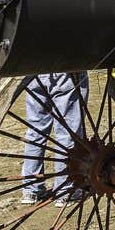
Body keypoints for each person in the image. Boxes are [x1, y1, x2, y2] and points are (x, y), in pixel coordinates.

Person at [21, 72, 87, 204]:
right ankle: (65, 190)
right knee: (67, 131)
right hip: (64, 72)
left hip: (33, 71)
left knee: (35, 132)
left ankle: (31, 190)